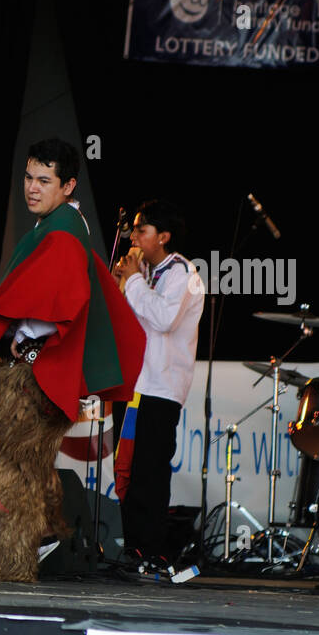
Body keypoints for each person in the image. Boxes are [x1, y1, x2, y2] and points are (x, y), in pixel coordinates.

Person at [0, 137, 145, 581]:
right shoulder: (56, 226)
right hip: (29, 370)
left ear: (68, 185)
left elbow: (64, 298)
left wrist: (24, 332)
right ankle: (1, 559)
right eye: (28, 178)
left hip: (31, 375)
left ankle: (5, 563)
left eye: (44, 180)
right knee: (13, 466)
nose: (32, 188)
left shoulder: (64, 232)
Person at [110, 199, 204, 566]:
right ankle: (133, 545)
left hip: (161, 388)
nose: (133, 236)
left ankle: (148, 549)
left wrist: (132, 281)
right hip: (133, 384)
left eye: (142, 230)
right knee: (127, 469)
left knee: (150, 469)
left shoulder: (182, 273)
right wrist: (123, 282)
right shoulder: (143, 272)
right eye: (132, 229)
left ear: (163, 237)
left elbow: (164, 319)